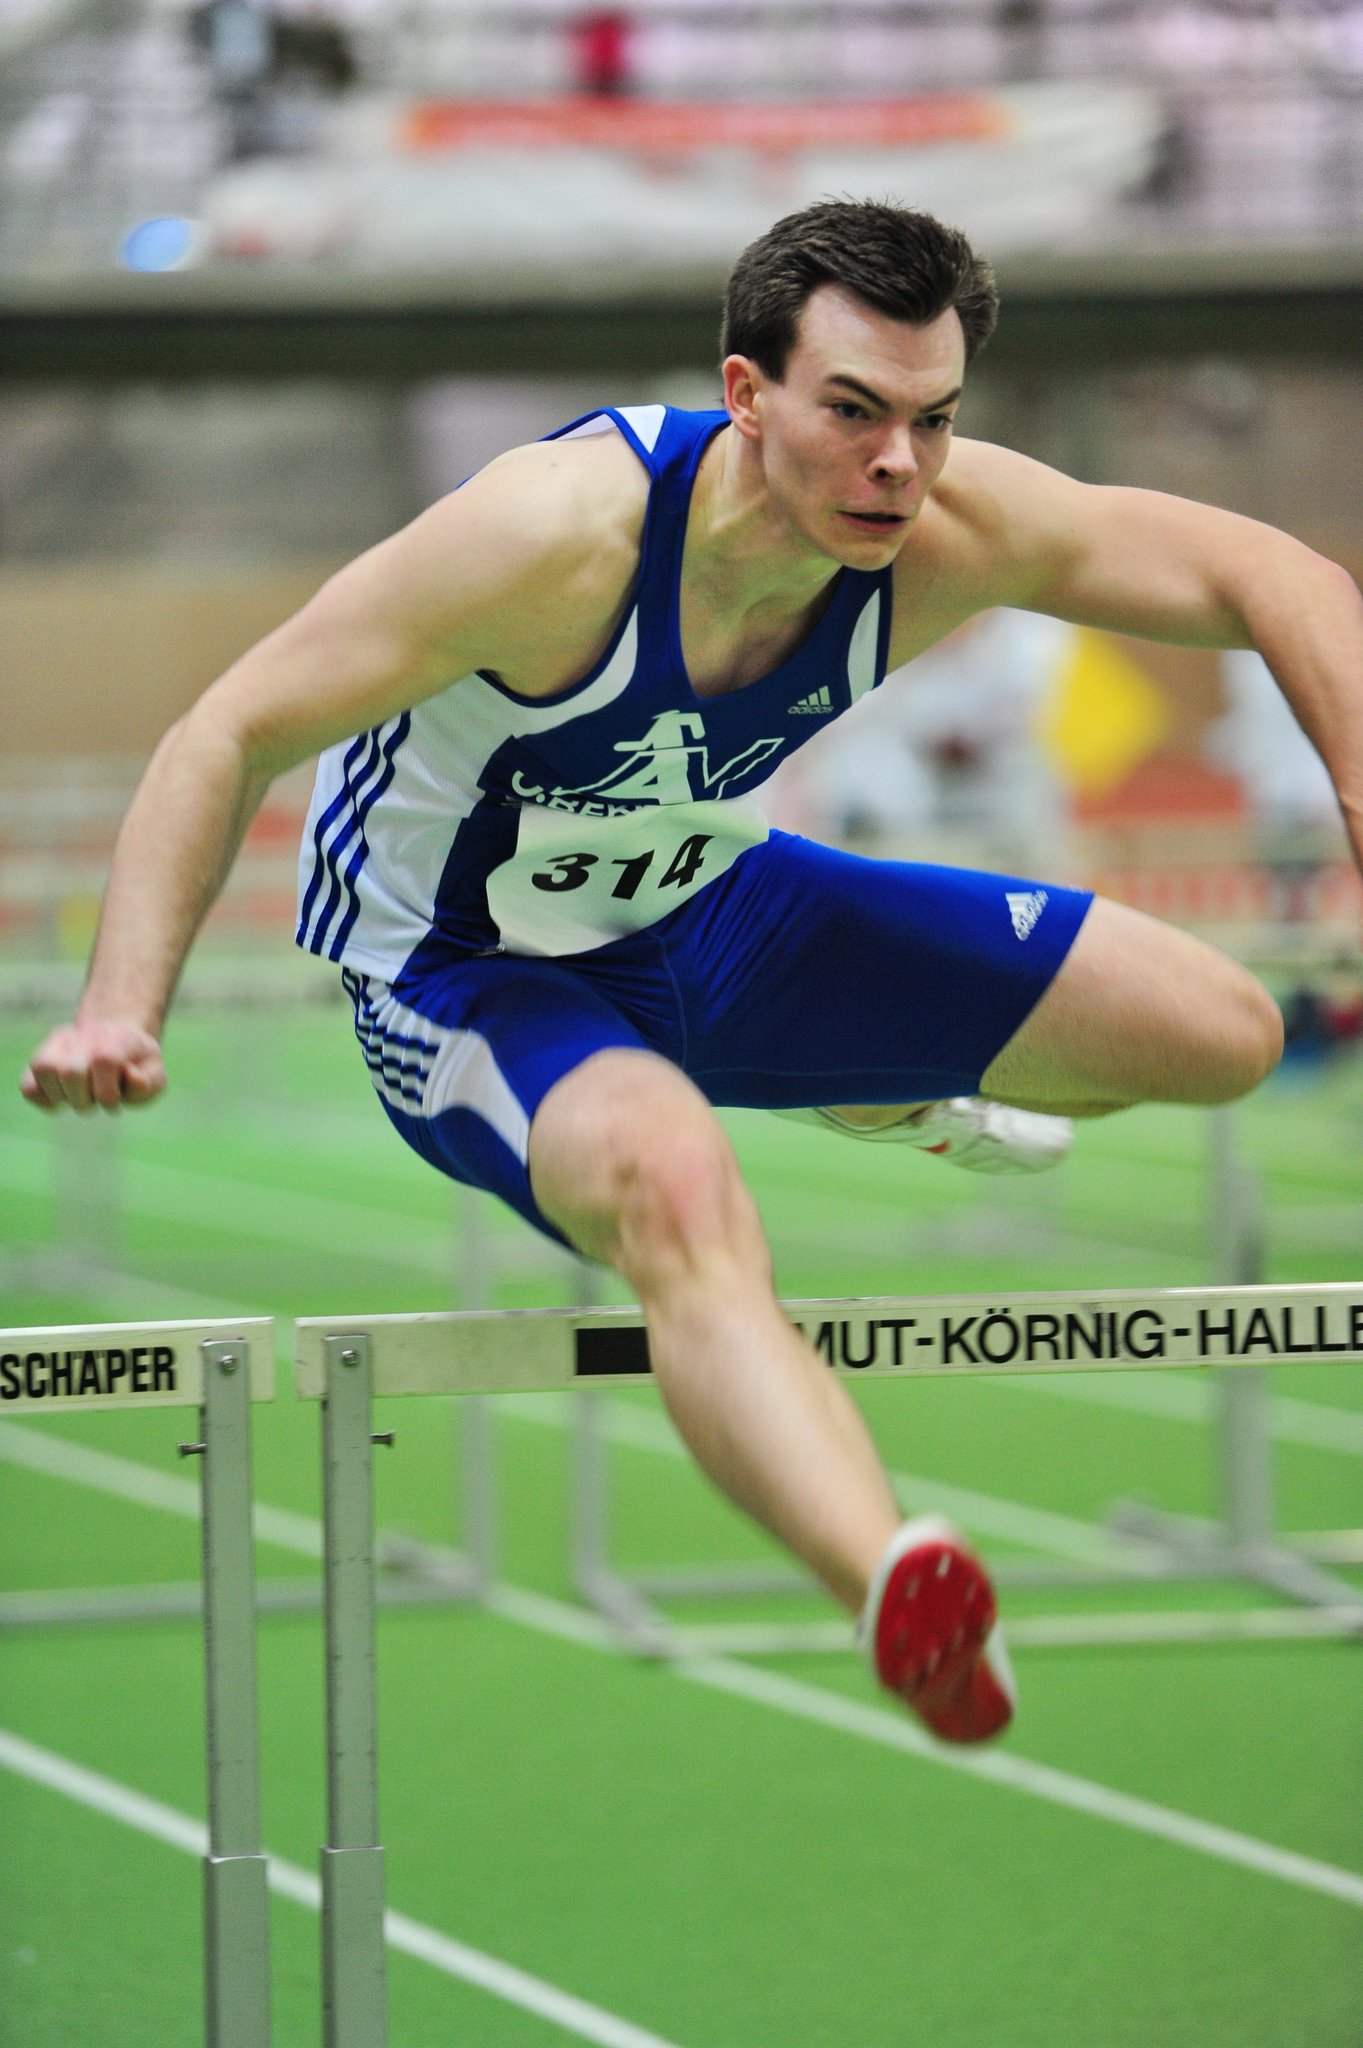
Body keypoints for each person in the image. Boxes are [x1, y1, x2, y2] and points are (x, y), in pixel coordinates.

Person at [22, 201, 1361, 1745]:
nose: (897, 468)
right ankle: (893, 1575)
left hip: (709, 909)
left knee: (1222, 1031)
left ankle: (856, 1087)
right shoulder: (551, 537)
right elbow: (227, 729)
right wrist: (122, 1002)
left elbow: (1277, 573)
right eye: (852, 413)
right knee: (675, 1189)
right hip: (472, 972)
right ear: (745, 393)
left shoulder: (948, 528)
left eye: (933, 423)